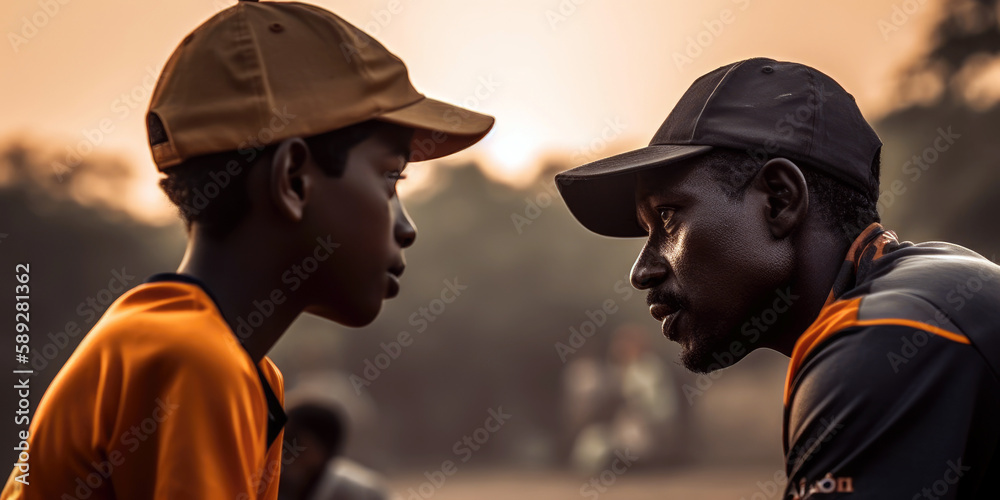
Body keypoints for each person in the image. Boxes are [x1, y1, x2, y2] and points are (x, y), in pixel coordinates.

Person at [0, 1, 493, 499]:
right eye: (391, 177)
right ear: (294, 180)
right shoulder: (194, 361)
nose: (406, 227)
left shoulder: (237, 366)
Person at [555, 57, 1000, 498]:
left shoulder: (884, 337)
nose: (641, 271)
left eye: (667, 217)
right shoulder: (932, 292)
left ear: (779, 201)